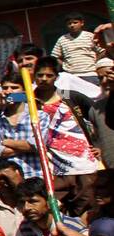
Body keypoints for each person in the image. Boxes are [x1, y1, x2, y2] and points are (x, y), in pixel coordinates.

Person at [32, 57, 100, 217]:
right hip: (53, 167)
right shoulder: (28, 99)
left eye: (49, 76)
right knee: (54, 210)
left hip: (83, 164)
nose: (44, 79)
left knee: (87, 208)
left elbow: (99, 117)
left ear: (56, 77)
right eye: (40, 75)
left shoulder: (71, 97)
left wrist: (99, 145)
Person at [0, 72, 44, 179]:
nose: (9, 91)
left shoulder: (39, 116)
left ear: (24, 92)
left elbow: (38, 144)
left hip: (34, 176)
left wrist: (6, 142)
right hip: (6, 178)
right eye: (5, 88)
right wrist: (26, 147)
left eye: (14, 87)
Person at [51, 13, 101, 87]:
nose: (72, 25)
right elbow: (55, 56)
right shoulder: (62, 39)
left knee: (94, 97)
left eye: (75, 22)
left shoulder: (90, 36)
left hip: (90, 74)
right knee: (69, 97)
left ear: (82, 23)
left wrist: (96, 62)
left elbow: (101, 51)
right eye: (69, 23)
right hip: (71, 76)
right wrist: (64, 65)